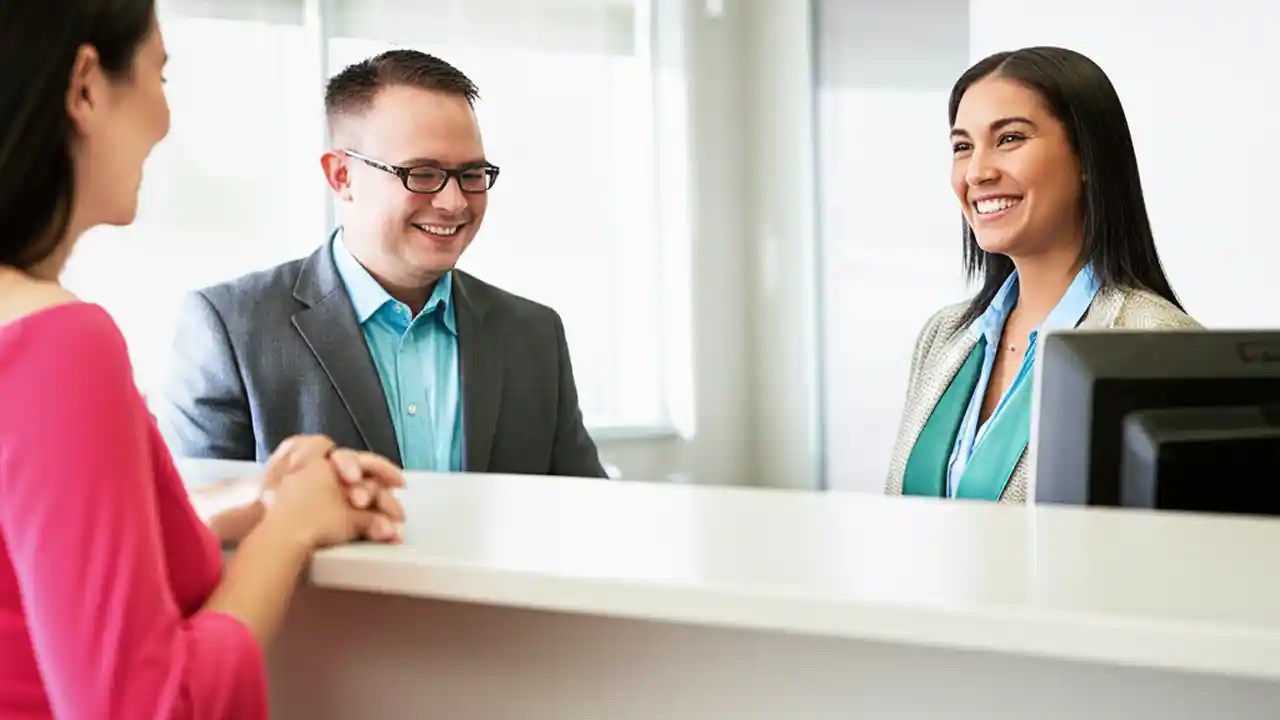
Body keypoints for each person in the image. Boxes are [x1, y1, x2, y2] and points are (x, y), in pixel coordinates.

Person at [0, 2, 406, 717]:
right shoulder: (59, 346)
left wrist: (245, 510)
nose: (164, 118)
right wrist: (291, 530)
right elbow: (144, 707)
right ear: (86, 87)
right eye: (160, 73)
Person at [158, 49, 607, 479]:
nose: (453, 202)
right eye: (423, 174)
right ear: (342, 176)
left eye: (471, 175)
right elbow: (200, 536)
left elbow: (586, 518)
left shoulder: (533, 336)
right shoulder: (231, 329)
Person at [884, 46, 1198, 504]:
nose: (977, 172)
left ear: (1089, 158)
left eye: (1009, 138)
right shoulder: (944, 336)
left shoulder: (1159, 345)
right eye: (962, 147)